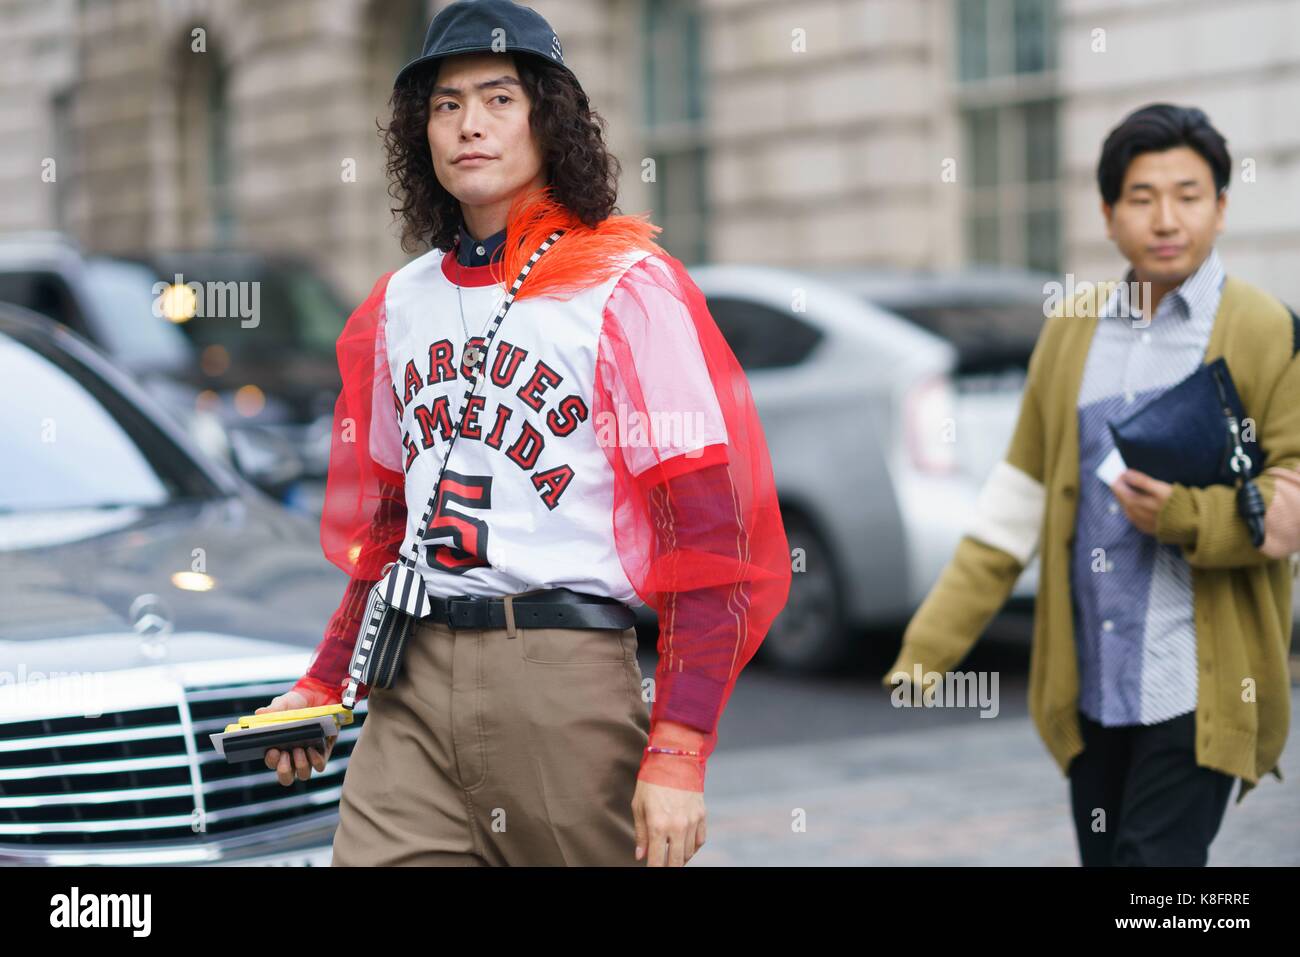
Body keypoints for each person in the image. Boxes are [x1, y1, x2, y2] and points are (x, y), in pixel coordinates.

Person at [255, 0, 790, 867]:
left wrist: (680, 747)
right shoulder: (398, 305)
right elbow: (391, 533)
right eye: (446, 103)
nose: (470, 125)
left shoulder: (627, 287)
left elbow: (709, 541)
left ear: (550, 117)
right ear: (418, 131)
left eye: (499, 99)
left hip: (560, 676)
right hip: (413, 685)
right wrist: (321, 680)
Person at [884, 103, 1300, 866]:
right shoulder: (1072, 329)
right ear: (1109, 215)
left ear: (1222, 208)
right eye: (1142, 198)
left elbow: (1291, 507)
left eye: (1188, 194)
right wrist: (929, 648)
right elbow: (1014, 505)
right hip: (1093, 688)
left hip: (1198, 688)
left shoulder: (1263, 328)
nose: (1166, 218)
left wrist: (1185, 515)